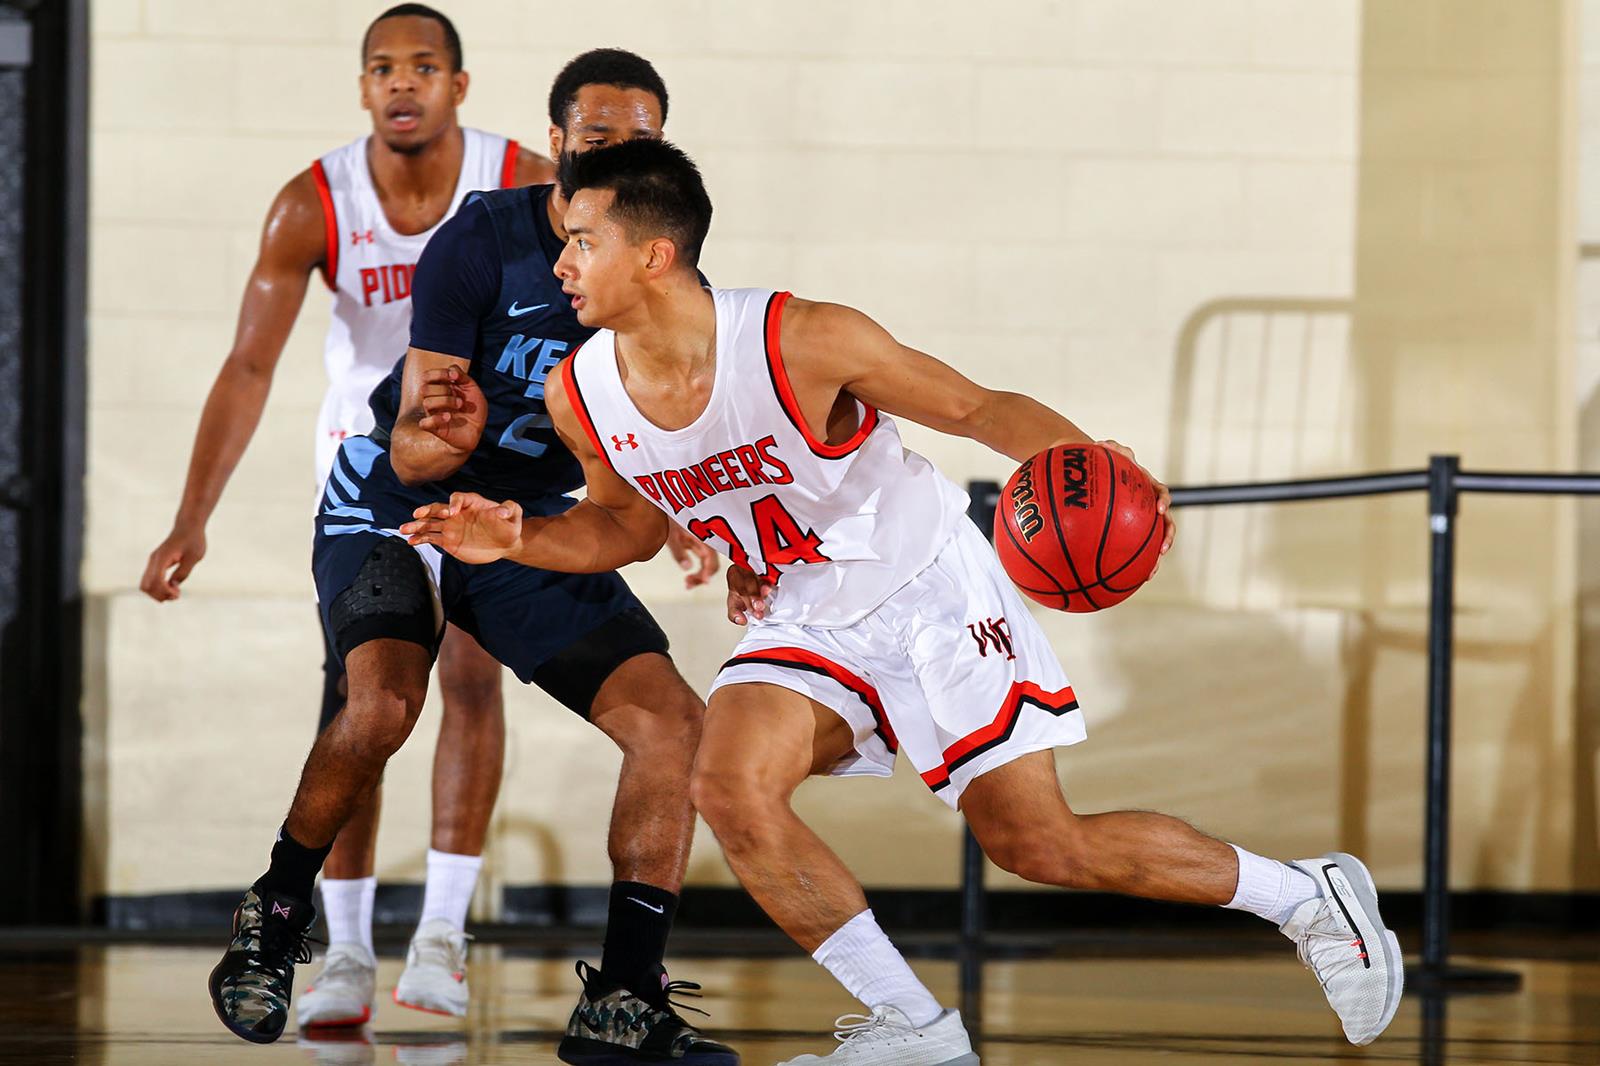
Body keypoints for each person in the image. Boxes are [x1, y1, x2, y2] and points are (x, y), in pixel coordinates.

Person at [402, 139, 1406, 1064]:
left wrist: (1085, 461)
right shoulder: (585, 392)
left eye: (581, 241)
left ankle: (1304, 898)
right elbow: (622, 525)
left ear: (655, 253)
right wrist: (521, 536)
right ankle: (915, 1027)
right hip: (804, 608)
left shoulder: (801, 338)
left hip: (928, 585)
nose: (562, 263)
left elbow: (975, 408)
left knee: (1037, 846)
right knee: (728, 781)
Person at [204, 51, 732, 1064]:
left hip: (521, 517)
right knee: (382, 708)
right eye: (596, 137)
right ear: (557, 145)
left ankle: (624, 995)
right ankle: (275, 910)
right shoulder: (480, 241)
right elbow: (410, 440)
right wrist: (449, 437)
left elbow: (682, 425)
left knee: (673, 723)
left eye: (638, 138)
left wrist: (714, 522)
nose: (617, 154)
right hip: (396, 497)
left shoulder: (662, 263)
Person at [139, 3, 575, 1028]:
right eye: (382, 67)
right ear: (363, 85)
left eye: (423, 66)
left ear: (459, 86)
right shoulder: (313, 202)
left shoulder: (519, 180)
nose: (402, 83)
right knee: (364, 699)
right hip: (369, 475)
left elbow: (601, 328)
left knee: (471, 673)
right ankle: (343, 948)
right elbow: (250, 364)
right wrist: (192, 514)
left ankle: (441, 935)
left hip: (486, 459)